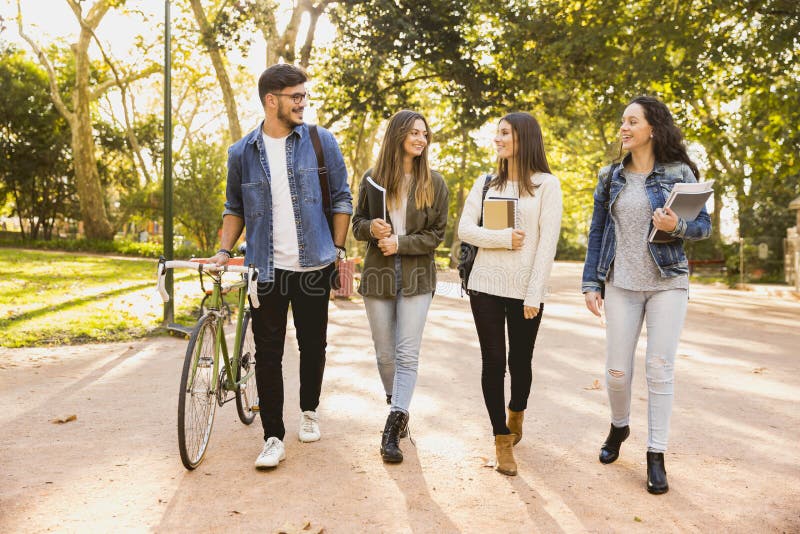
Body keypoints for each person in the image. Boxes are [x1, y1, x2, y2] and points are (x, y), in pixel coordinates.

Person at [207, 64, 352, 470]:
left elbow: (342, 198)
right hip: (265, 271)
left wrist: (337, 249)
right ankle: (273, 436)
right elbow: (234, 208)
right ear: (272, 100)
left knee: (313, 345)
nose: (303, 103)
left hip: (314, 266)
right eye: (296, 97)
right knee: (268, 354)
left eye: (305, 95)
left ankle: (309, 410)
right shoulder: (241, 152)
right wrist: (223, 250)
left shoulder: (321, 142)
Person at [581, 96, 711, 494]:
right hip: (621, 283)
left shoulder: (680, 172)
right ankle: (619, 426)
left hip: (667, 282)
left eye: (632, 121)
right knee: (616, 373)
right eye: (622, 121)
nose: (624, 128)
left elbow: (702, 226)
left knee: (659, 368)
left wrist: (677, 226)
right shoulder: (610, 176)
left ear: (652, 128)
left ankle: (656, 454)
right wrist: (591, 282)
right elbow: (598, 231)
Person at [458, 112, 562, 476]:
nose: (498, 139)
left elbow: (547, 244)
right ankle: (501, 439)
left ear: (524, 139)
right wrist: (501, 239)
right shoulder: (486, 182)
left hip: (525, 292)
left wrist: (534, 294)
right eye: (497, 133)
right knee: (492, 362)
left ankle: (516, 410)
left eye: (505, 133)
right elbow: (465, 229)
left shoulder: (547, 185)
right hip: (484, 284)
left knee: (520, 362)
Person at [352, 110, 449, 463]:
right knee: (385, 354)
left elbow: (436, 235)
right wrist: (371, 229)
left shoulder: (434, 183)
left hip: (417, 278)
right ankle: (399, 405)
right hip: (378, 275)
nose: (421, 139)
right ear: (397, 136)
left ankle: (392, 425)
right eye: (414, 132)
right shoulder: (372, 179)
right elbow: (357, 224)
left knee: (407, 353)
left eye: (425, 134)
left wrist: (401, 243)